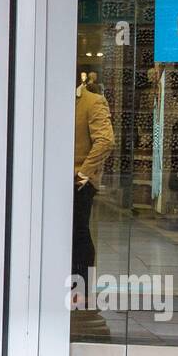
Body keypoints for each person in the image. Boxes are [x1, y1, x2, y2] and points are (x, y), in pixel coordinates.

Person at [72, 73, 115, 309]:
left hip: (78, 182)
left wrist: (84, 173)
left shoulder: (92, 101)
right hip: (51, 181)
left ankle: (84, 290)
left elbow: (106, 140)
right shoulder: (49, 101)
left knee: (78, 234)